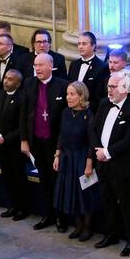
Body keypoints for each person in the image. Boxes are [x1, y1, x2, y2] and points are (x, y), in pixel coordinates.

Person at [91, 70, 130, 254]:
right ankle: (111, 234)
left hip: (121, 166)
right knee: (107, 200)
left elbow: (129, 140)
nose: (109, 90)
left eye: (113, 87)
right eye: (109, 86)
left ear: (124, 88)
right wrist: (98, 150)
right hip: (102, 162)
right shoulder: (104, 104)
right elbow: (94, 128)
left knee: (126, 204)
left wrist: (107, 152)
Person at [21, 52, 68, 231]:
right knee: (44, 180)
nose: (37, 69)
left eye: (41, 65)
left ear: (50, 66)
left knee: (57, 180)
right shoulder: (29, 83)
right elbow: (24, 112)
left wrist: (60, 147)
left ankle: (60, 217)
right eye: (35, 65)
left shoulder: (62, 86)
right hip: (36, 141)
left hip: (55, 143)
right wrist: (24, 139)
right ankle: (47, 214)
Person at [54, 81, 101, 242]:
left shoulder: (89, 115)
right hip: (67, 157)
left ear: (81, 96)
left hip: (82, 158)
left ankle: (88, 227)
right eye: (67, 94)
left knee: (85, 195)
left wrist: (89, 163)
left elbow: (92, 141)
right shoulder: (65, 112)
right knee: (71, 192)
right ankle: (78, 225)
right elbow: (61, 134)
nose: (68, 97)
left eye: (72, 94)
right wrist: (57, 154)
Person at [0, 69, 26, 220]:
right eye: (5, 78)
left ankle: (22, 208)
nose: (6, 81)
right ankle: (12, 205)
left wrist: (6, 139)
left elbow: (22, 125)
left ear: (18, 83)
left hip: (14, 145)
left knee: (18, 176)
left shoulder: (22, 97)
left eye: (10, 79)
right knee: (7, 176)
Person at [66, 30, 107, 106]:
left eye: (84, 44)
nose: (80, 47)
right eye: (79, 44)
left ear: (93, 45)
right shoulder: (74, 64)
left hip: (90, 110)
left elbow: (99, 95)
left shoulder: (102, 67)